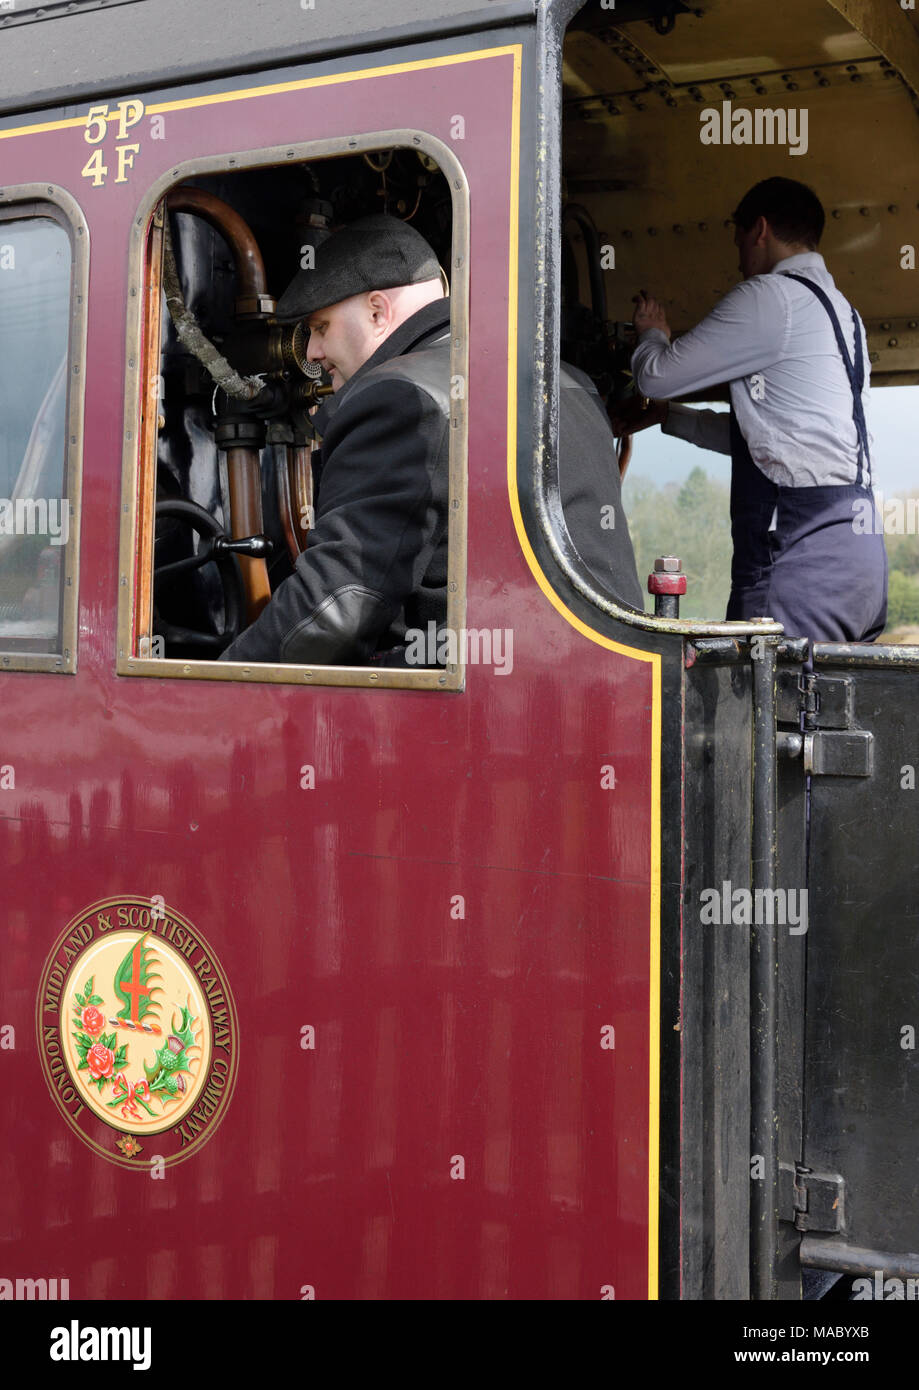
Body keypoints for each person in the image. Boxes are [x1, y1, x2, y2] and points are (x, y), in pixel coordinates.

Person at [220, 213, 642, 665]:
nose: (311, 353)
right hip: (596, 686)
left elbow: (335, 609)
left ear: (378, 311)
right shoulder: (568, 382)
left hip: (485, 708)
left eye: (320, 328)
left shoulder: (399, 395)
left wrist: (214, 695)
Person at [610, 176, 887, 643]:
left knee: (765, 707)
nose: (738, 255)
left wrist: (652, 334)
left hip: (802, 556)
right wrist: (666, 416)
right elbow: (768, 442)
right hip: (859, 560)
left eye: (738, 236)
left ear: (759, 229)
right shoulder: (843, 314)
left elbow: (655, 376)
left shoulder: (768, 298)